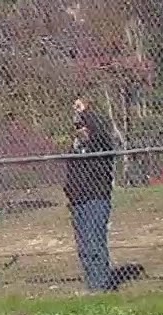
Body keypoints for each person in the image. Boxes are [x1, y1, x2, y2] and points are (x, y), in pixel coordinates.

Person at [64, 96, 117, 292]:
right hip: (78, 202)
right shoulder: (74, 149)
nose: (81, 130)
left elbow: (101, 131)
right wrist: (69, 194)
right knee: (84, 246)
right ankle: (92, 285)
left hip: (97, 199)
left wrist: (85, 111)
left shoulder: (101, 144)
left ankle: (101, 286)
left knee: (95, 242)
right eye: (78, 127)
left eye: (84, 126)